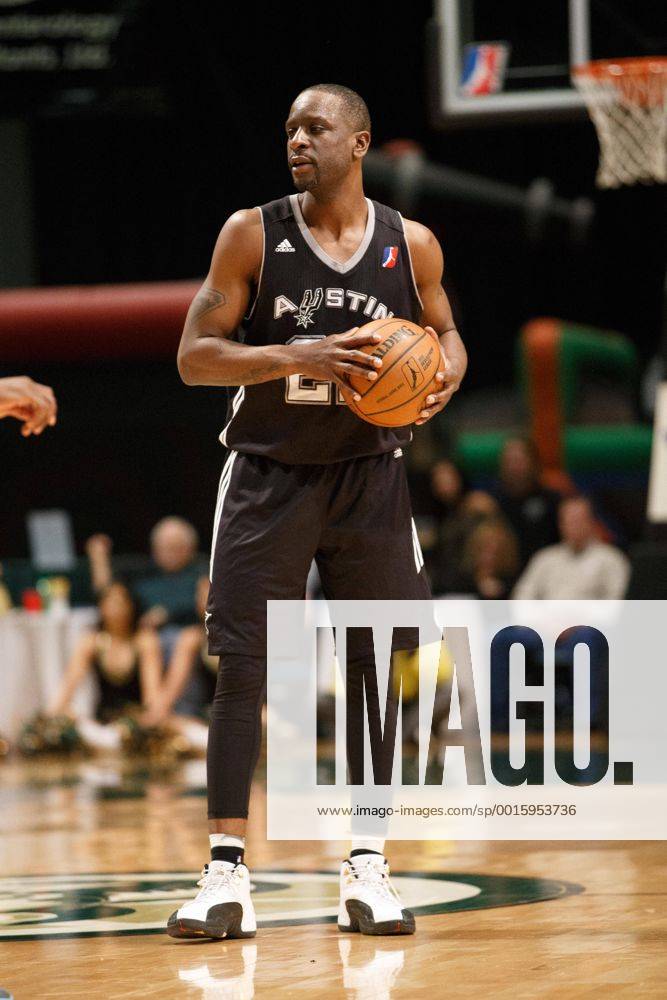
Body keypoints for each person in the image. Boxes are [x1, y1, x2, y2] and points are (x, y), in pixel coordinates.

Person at [169, 83, 467, 940]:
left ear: (360, 142)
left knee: (384, 674)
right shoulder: (250, 232)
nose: (297, 140)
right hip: (268, 476)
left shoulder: (410, 245)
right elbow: (194, 358)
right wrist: (293, 355)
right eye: (290, 128)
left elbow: (446, 333)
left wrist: (440, 372)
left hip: (370, 476)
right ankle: (225, 874)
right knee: (244, 669)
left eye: (316, 127)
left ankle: (366, 865)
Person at [46, 581, 163, 751]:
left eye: (120, 602)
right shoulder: (91, 641)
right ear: (100, 606)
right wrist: (52, 718)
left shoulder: (144, 640)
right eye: (109, 602)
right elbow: (68, 684)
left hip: (137, 724)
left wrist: (149, 721)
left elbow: (152, 697)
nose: (115, 608)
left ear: (131, 605)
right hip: (101, 725)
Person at [87, 517, 202, 636]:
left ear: (190, 549)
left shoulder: (202, 572)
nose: (169, 554)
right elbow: (108, 592)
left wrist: (168, 613)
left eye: (175, 548)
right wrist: (99, 560)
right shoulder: (143, 572)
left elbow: (208, 604)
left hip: (190, 634)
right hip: (144, 636)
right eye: (163, 548)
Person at [138, 575, 214, 753]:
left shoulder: (247, 637)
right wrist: (154, 716)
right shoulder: (191, 638)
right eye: (201, 595)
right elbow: (170, 691)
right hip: (203, 720)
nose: (207, 600)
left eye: (212, 594)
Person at [512, 495, 630, 600]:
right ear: (560, 524)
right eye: (569, 521)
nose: (574, 526)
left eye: (579, 520)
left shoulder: (611, 559)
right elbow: (522, 597)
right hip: (547, 622)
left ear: (591, 522)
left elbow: (619, 602)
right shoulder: (545, 558)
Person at [494, 436, 560, 567]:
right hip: (505, 575)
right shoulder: (491, 502)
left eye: (519, 461)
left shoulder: (552, 501)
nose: (514, 467)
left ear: (533, 462)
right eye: (509, 461)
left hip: (545, 573)